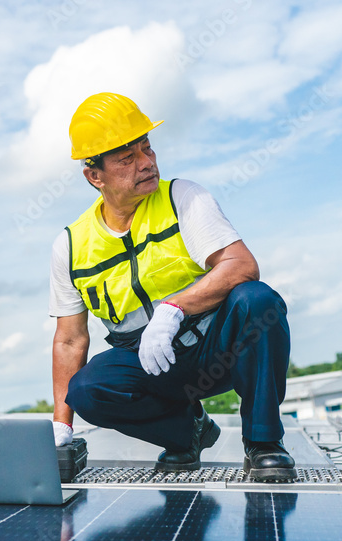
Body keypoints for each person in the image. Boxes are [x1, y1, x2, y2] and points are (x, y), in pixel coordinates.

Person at [49, 93, 295, 482]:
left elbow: (242, 265)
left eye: (146, 148)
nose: (146, 162)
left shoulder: (183, 197)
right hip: (151, 366)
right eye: (126, 158)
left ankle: (264, 443)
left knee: (258, 300)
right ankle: (188, 431)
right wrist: (62, 425)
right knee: (86, 390)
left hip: (216, 350)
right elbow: (69, 340)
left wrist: (174, 307)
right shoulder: (71, 245)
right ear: (94, 176)